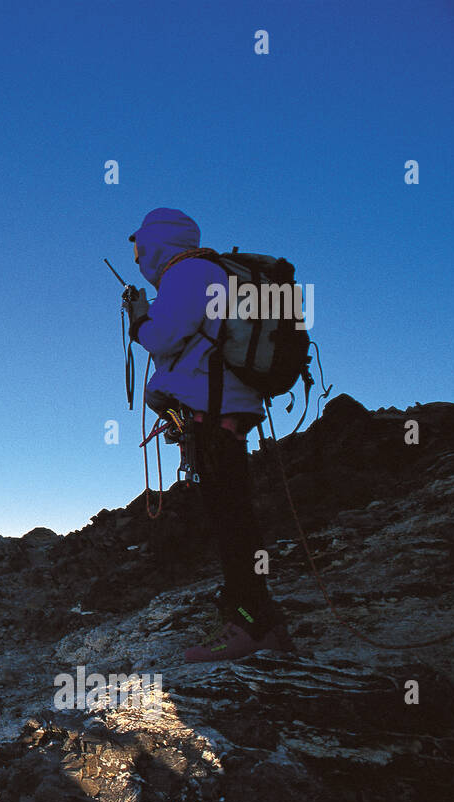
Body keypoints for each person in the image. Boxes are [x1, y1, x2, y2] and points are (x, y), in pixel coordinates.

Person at [124, 208, 294, 662]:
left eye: (139, 245)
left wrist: (139, 318)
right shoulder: (209, 270)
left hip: (213, 415)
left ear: (157, 242)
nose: (137, 254)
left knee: (231, 521)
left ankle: (248, 626)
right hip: (226, 412)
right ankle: (264, 624)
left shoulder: (189, 272)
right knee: (236, 515)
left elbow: (162, 338)